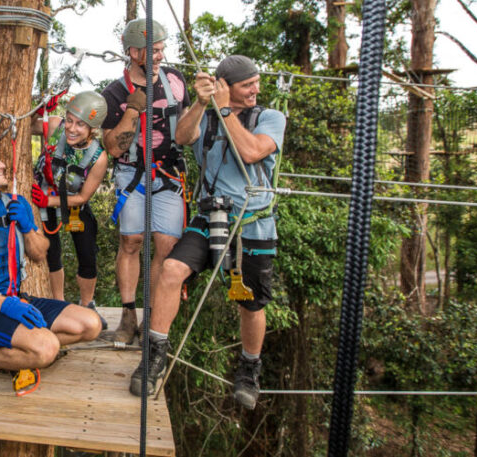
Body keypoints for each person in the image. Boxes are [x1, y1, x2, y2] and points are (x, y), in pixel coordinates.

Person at [130, 55, 286, 411]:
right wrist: (202, 103)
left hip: (252, 222)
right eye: (248, 85)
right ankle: (154, 354)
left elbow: (251, 152)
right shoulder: (209, 116)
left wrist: (226, 110)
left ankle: (249, 369)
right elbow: (182, 137)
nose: (256, 90)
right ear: (226, 86)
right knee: (170, 271)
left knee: (251, 303)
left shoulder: (270, 118)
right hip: (210, 215)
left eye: (256, 83)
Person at [0, 134, 103, 409]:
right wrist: (5, 305)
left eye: (0, 158)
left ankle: (21, 352)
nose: (2, 165)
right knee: (46, 348)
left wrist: (27, 227)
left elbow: (39, 253)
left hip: (17, 299)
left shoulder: (16, 204)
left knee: (91, 324)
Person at [100, 18, 204, 344]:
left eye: (161, 50)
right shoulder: (115, 92)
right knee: (131, 241)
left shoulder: (175, 81)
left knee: (166, 246)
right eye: (151, 50)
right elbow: (114, 147)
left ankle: (153, 315)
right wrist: (134, 108)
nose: (159, 56)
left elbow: (186, 131)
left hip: (168, 172)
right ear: (133, 52)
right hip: (132, 172)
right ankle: (128, 314)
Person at [29, 91, 111, 328]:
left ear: (92, 129)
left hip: (72, 202)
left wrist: (50, 201)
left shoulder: (98, 157)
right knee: (51, 252)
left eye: (81, 125)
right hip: (44, 195)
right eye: (71, 120)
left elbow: (84, 196)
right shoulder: (55, 126)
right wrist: (40, 109)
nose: (72, 129)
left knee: (87, 252)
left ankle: (87, 304)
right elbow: (27, 125)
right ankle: (58, 303)